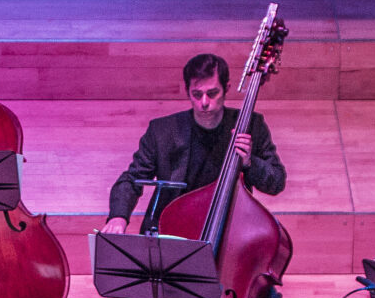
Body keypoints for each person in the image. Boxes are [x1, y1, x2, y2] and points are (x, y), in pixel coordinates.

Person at [102, 51, 286, 236]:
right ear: (187, 91)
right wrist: (118, 217)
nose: (204, 102)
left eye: (212, 93)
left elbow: (276, 182)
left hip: (228, 235)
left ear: (227, 88)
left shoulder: (251, 125)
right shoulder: (163, 131)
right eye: (197, 94)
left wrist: (249, 162)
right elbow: (132, 179)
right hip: (171, 232)